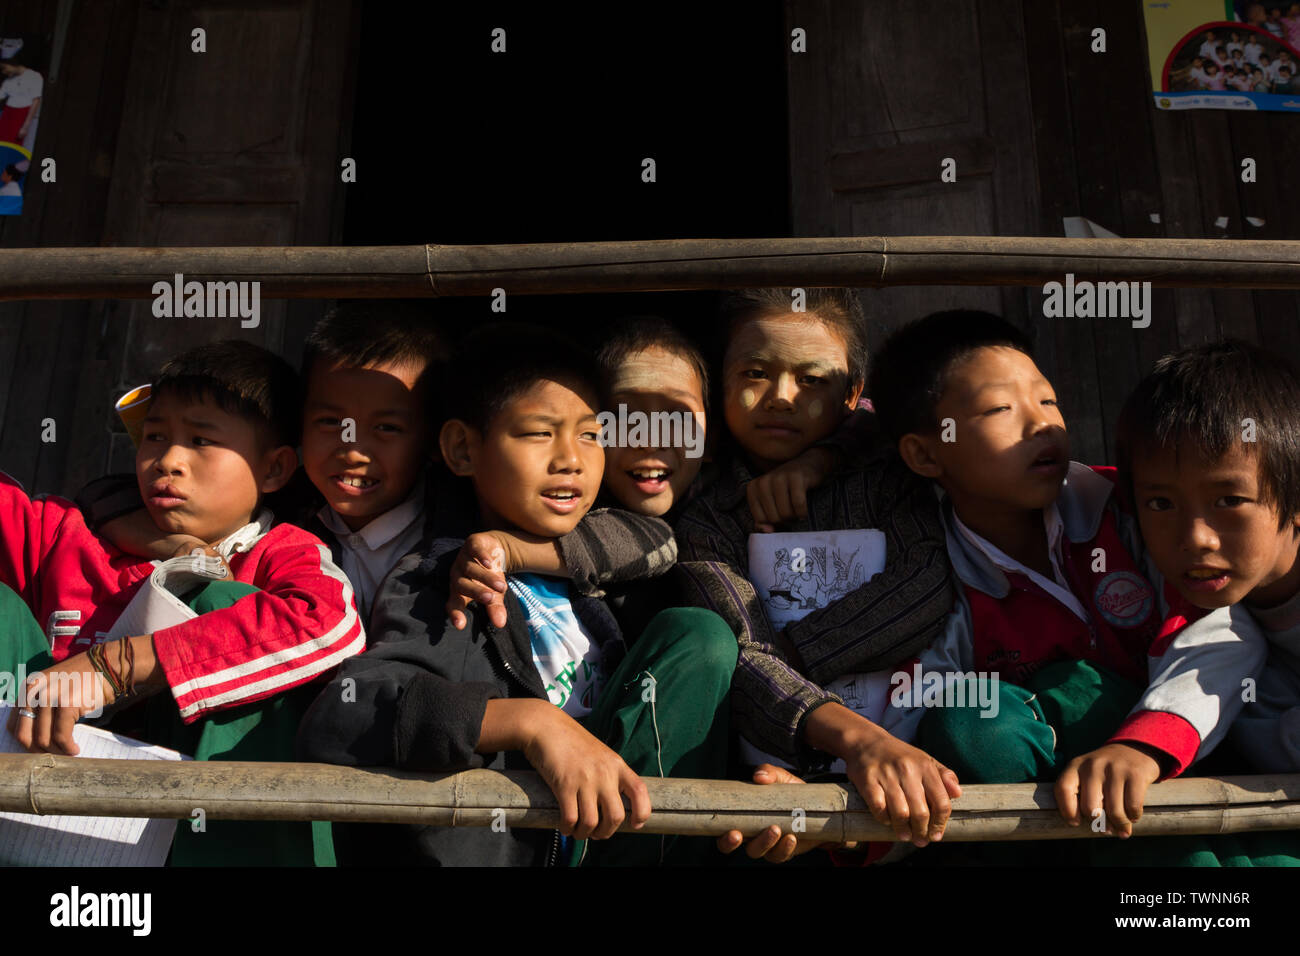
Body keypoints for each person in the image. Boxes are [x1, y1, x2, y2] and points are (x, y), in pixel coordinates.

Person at [298, 323, 738, 866]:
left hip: (619, 835)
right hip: (518, 848)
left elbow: (657, 542)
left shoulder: (610, 579)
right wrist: (528, 722)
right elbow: (341, 716)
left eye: (590, 435)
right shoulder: (450, 581)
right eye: (537, 432)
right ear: (462, 448)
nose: (570, 459)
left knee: (700, 635)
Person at [869, 312, 1264, 857]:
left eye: (1048, 401)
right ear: (925, 453)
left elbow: (1220, 628)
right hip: (1061, 801)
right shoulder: (938, 575)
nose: (1042, 424)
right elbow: (920, 704)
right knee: (973, 720)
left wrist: (1142, 745)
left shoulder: (1127, 509)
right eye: (1001, 409)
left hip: (1191, 753)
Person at [0, 340, 364, 865]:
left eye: (200, 440)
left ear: (274, 469)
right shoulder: (66, 534)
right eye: (154, 436)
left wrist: (116, 667)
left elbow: (329, 624)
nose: (168, 460)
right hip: (40, 809)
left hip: (204, 837)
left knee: (227, 601)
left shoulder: (279, 554)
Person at [674, 288, 959, 849]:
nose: (781, 397)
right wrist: (855, 743)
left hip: (914, 749)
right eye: (755, 373)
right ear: (720, 384)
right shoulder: (707, 514)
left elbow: (928, 581)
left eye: (811, 380)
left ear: (853, 394)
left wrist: (793, 655)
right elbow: (736, 651)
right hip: (768, 767)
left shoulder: (888, 478)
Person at [0, 57, 41, 146]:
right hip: (7, 113)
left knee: (14, 145)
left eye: (4, 68)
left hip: (22, 115)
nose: (4, 72)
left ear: (12, 64)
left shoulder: (34, 76)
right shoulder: (8, 81)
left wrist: (25, 126)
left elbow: (36, 101)